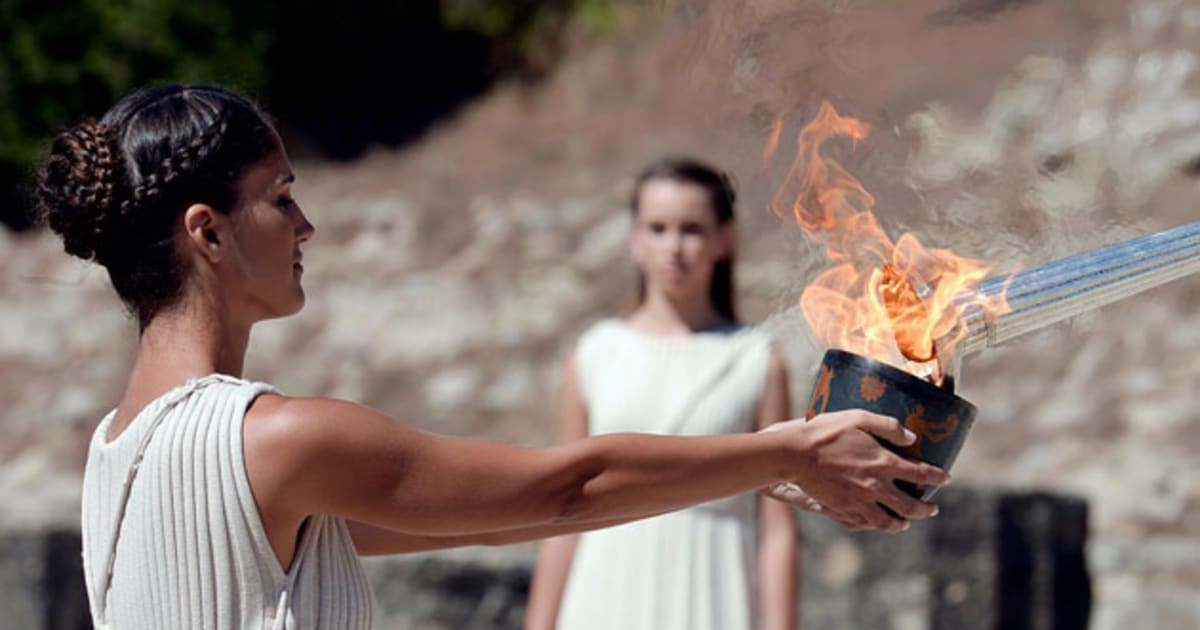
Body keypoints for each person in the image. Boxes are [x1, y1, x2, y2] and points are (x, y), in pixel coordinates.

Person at [35, 84, 947, 630]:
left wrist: (747, 471)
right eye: (280, 198)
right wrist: (791, 451)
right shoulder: (274, 442)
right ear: (210, 233)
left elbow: (490, 516)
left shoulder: (113, 455)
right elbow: (558, 488)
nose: (305, 224)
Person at [525, 158, 798, 630]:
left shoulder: (756, 360)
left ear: (724, 240)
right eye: (657, 228)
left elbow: (777, 528)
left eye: (692, 229)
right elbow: (561, 511)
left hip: (715, 592)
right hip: (602, 592)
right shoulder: (595, 354)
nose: (674, 248)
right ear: (635, 238)